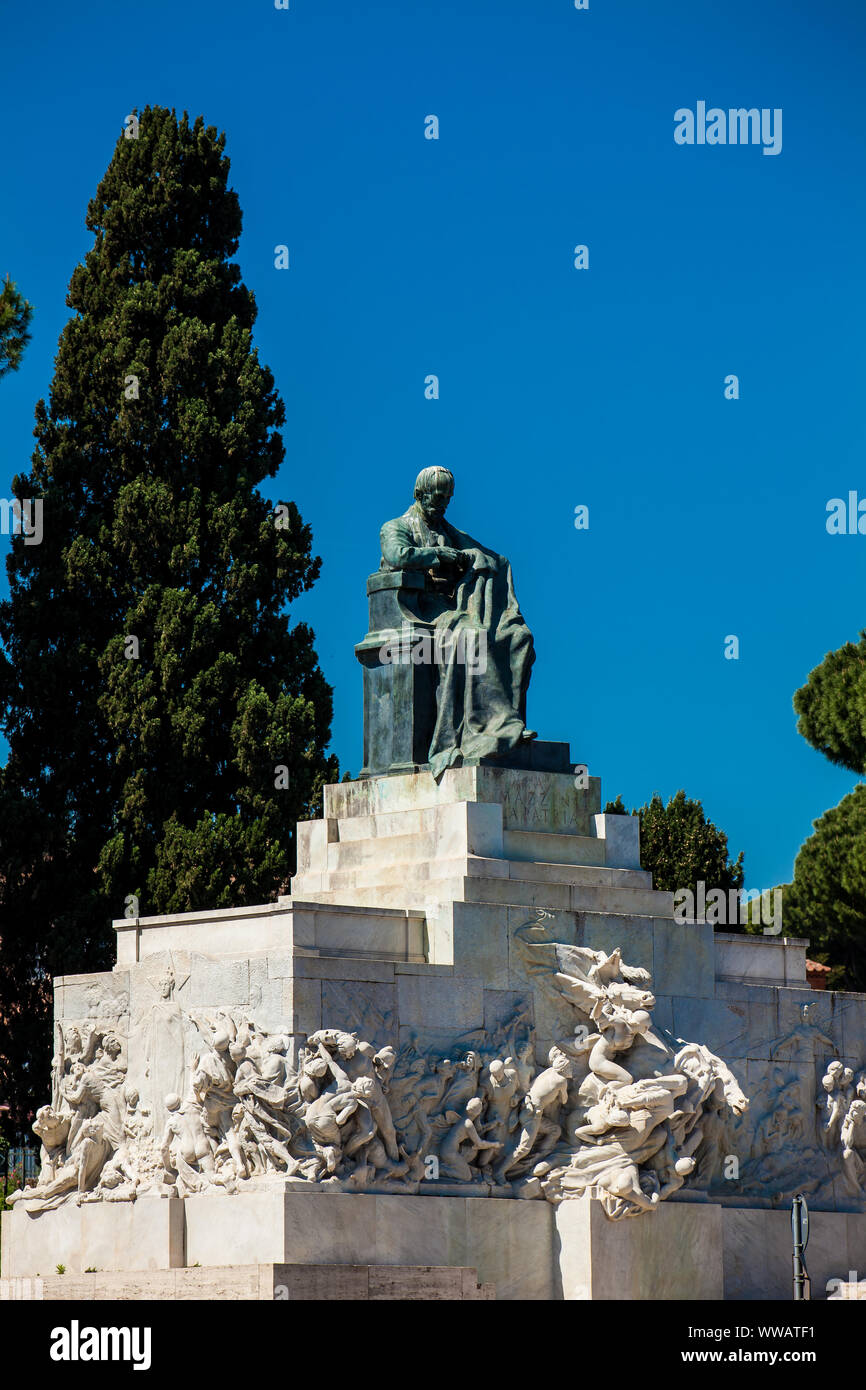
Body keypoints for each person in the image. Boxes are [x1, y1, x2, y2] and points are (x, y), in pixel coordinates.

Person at [379, 467, 535, 778]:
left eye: (447, 500)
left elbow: (482, 552)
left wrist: (485, 560)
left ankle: (505, 728)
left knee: (517, 637)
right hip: (422, 609)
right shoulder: (395, 526)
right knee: (469, 634)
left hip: (452, 606)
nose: (443, 506)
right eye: (438, 499)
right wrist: (438, 555)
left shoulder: (447, 529)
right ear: (421, 494)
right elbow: (396, 555)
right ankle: (485, 728)